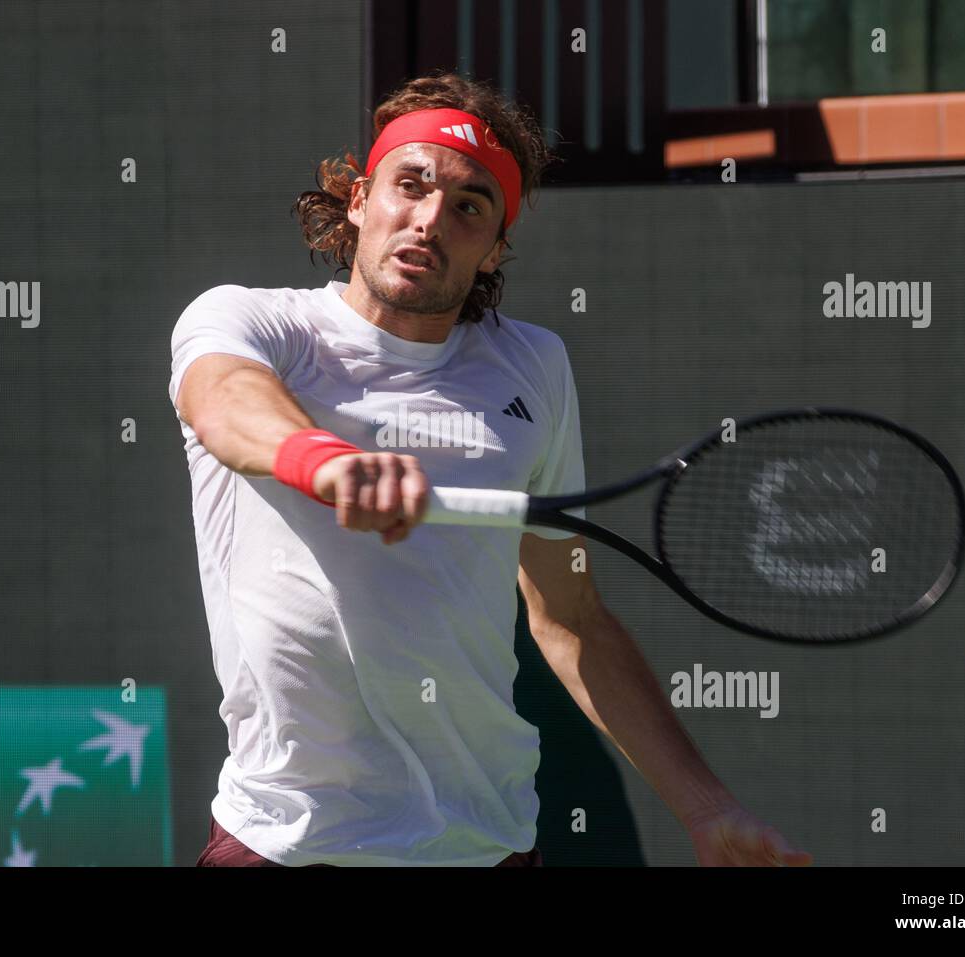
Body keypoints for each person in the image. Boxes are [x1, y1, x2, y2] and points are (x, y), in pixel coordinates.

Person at [170, 71, 812, 867]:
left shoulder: (534, 367)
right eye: (411, 186)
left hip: (484, 846)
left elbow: (568, 615)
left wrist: (707, 809)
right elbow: (224, 402)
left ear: (495, 246)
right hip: (283, 839)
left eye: (470, 206)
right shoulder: (251, 321)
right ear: (361, 199)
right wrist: (326, 463)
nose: (430, 219)